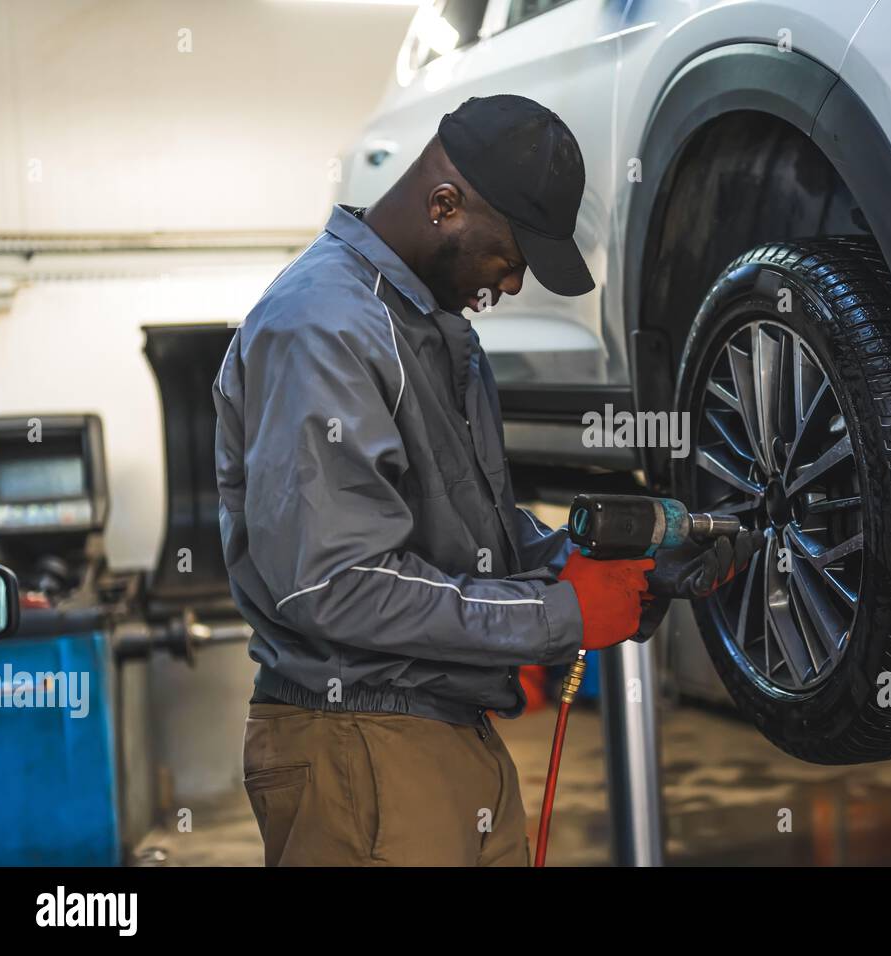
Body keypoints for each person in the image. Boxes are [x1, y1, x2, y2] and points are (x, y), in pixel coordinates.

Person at [213, 94, 759, 866]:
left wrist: (598, 567)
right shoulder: (323, 327)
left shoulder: (431, 332)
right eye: (510, 255)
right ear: (445, 204)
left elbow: (466, 544)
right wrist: (559, 616)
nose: (510, 283)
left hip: (440, 741)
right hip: (363, 752)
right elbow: (335, 583)